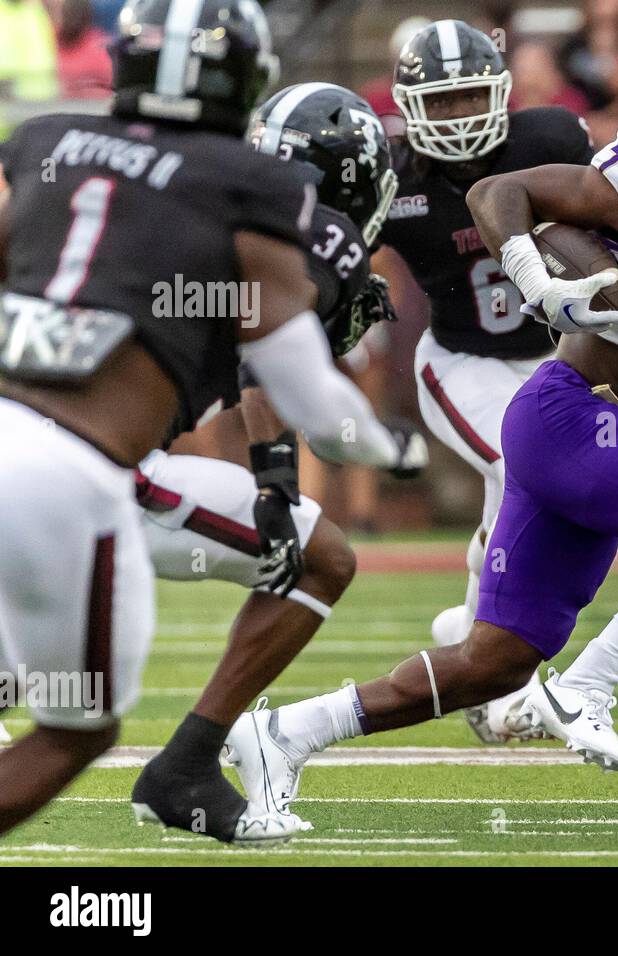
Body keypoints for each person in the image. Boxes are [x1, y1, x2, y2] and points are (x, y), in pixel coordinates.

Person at [225, 57, 618, 810]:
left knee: (495, 663)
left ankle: (285, 732)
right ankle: (586, 685)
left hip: (611, 434)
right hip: (571, 413)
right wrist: (532, 273)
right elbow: (497, 191)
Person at [0, 0, 420, 841]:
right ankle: (185, 764)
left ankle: (182, 764)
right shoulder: (261, 197)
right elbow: (301, 384)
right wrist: (389, 448)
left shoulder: (49, 141)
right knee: (77, 722)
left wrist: (269, 473)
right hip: (80, 472)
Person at [131, 83, 416, 839]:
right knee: (323, 559)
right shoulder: (319, 233)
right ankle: (185, 766)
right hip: (99, 464)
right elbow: (269, 349)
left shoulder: (175, 194)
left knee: (81, 596)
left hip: (34, 432)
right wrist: (278, 481)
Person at [322, 20, 595, 745]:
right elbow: (332, 254)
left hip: (556, 357)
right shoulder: (391, 174)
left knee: (542, 487)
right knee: (523, 465)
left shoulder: (550, 139)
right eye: (440, 103)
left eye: (470, 96)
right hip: (460, 362)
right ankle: (496, 679)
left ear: (502, 93)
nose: (457, 115)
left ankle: (471, 629)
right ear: (408, 107)